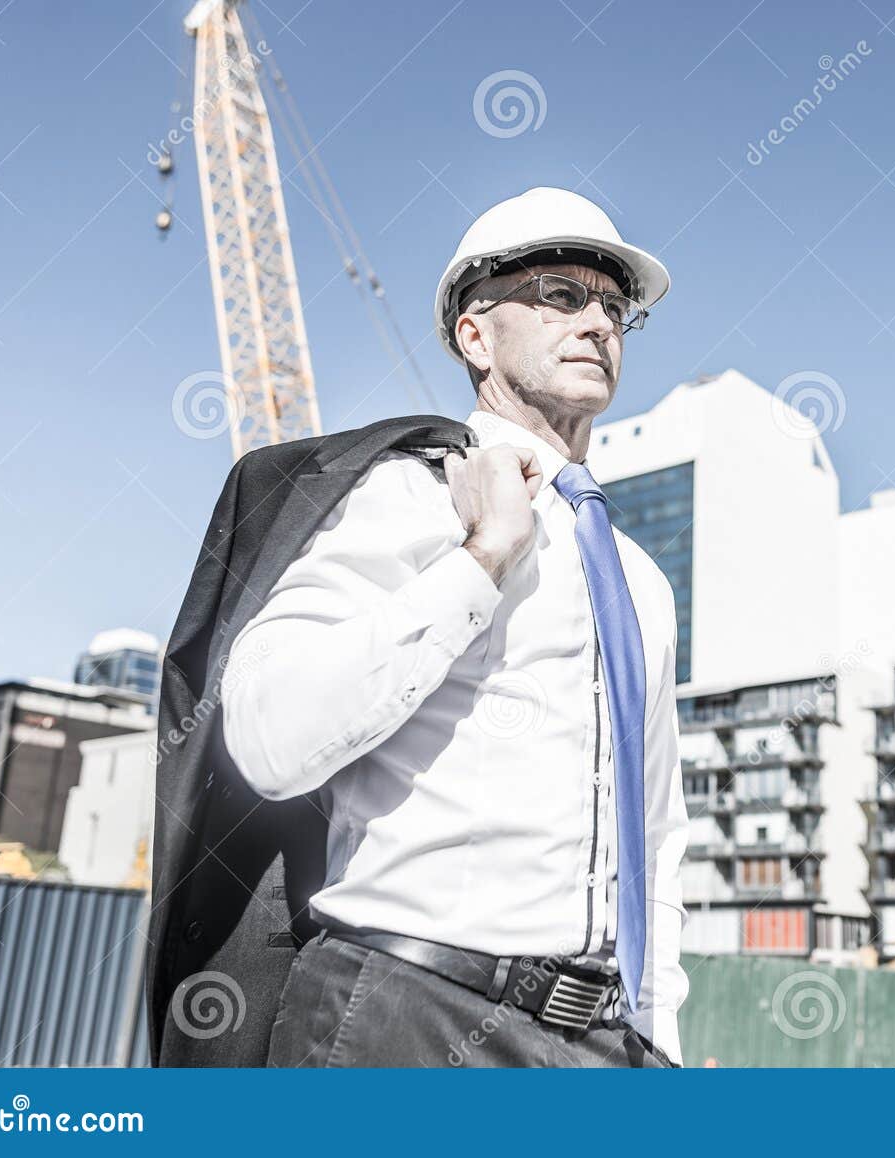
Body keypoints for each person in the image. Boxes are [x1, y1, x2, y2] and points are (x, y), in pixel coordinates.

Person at [218, 187, 689, 1067]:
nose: (598, 323)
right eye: (559, 295)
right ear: (476, 335)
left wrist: (656, 1033)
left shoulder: (643, 583)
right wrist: (482, 558)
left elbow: (656, 827)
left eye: (614, 307)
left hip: (602, 1046)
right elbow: (266, 738)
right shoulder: (405, 496)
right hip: (402, 1017)